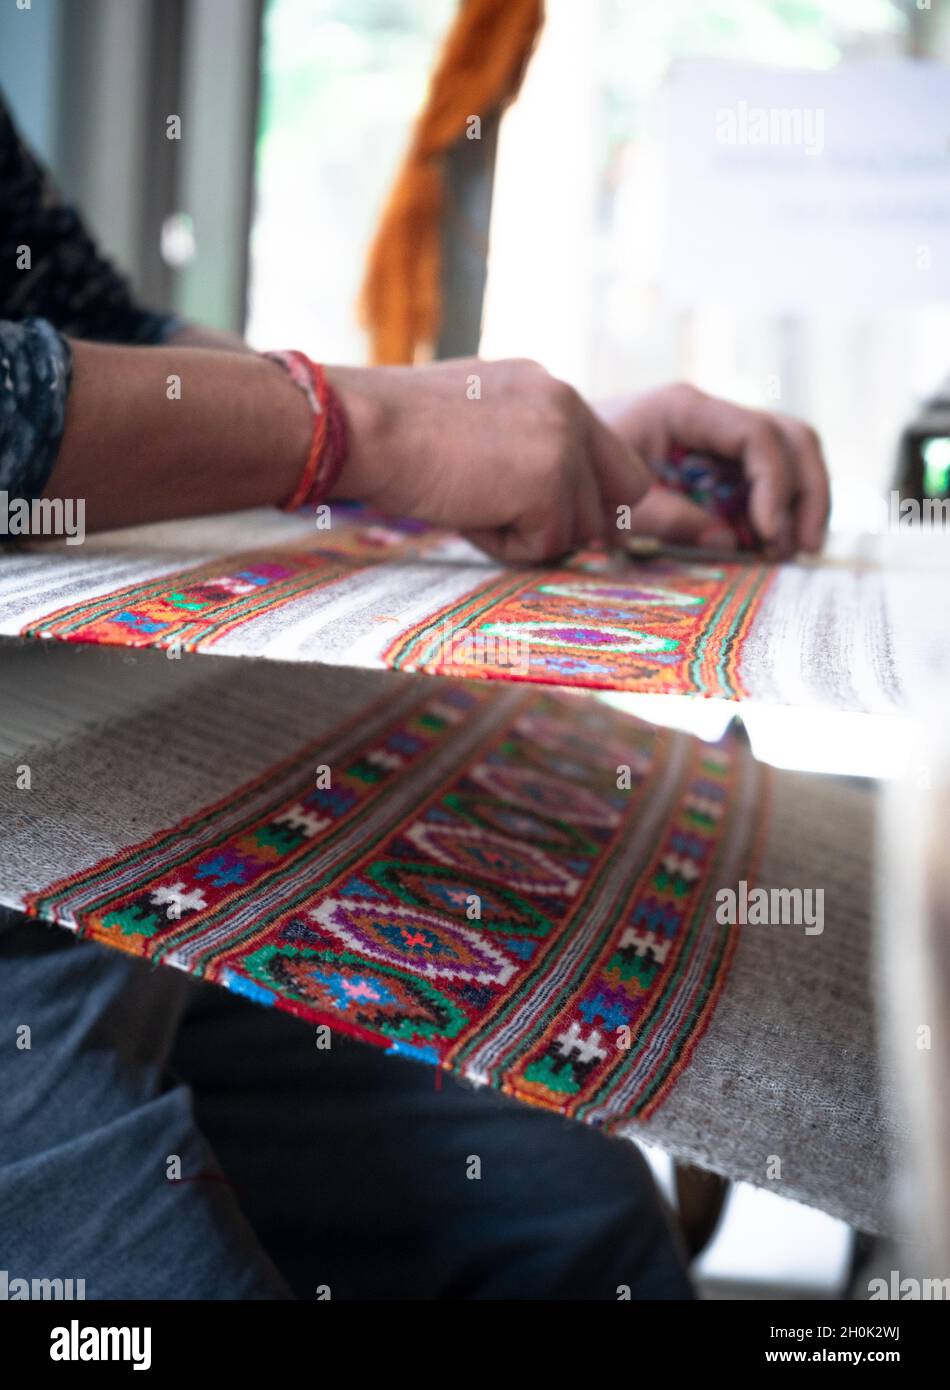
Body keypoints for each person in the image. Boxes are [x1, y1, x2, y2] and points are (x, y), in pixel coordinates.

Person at [0, 90, 828, 1299]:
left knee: (570, 1230)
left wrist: (504, 452)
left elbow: (91, 330)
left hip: (99, 803)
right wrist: (371, 431)